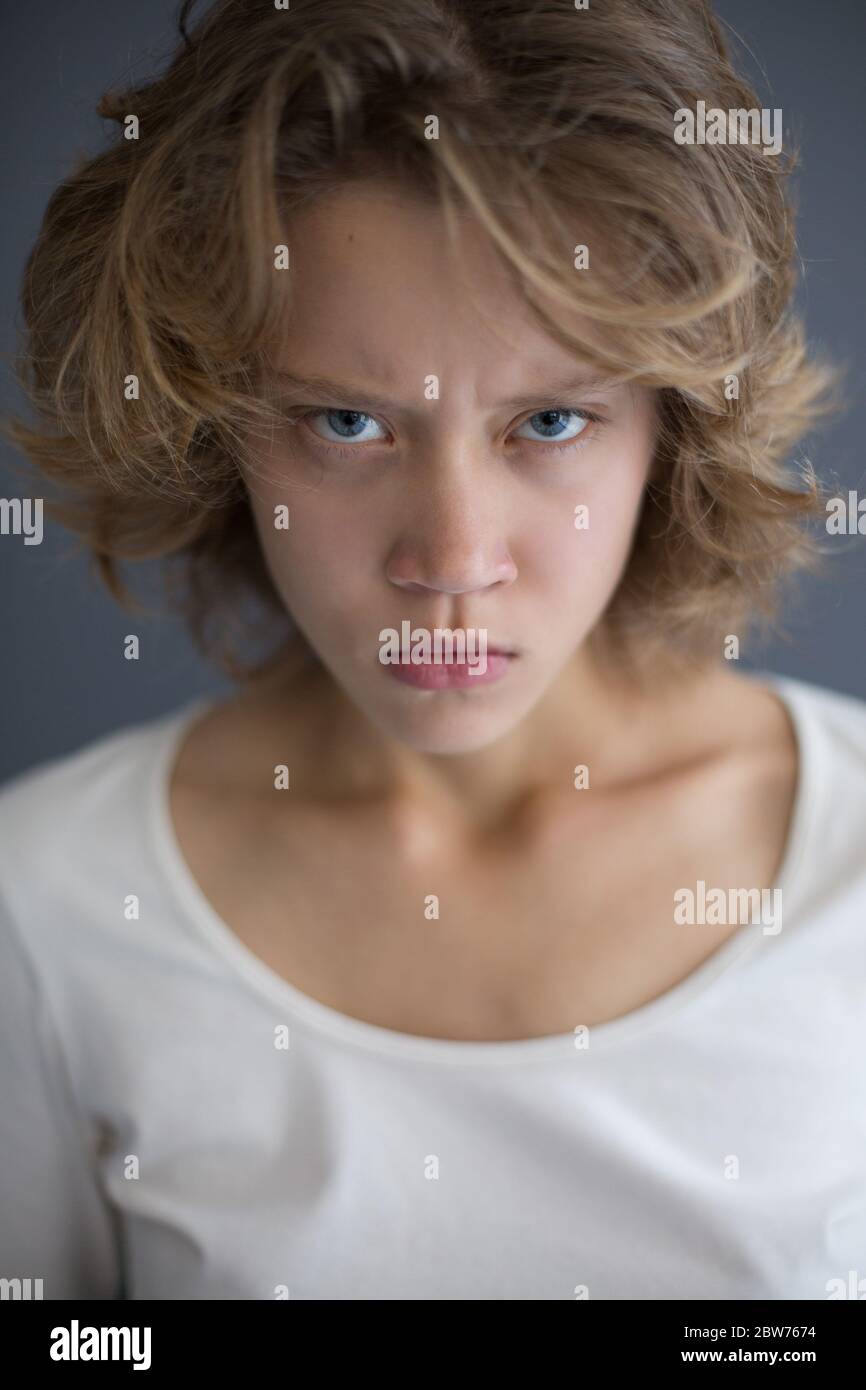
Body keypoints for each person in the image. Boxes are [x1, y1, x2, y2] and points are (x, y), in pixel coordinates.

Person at [1, 0, 864, 1301]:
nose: (451, 556)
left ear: (673, 434)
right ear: (213, 425)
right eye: (347, 421)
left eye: (552, 421)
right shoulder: (44, 906)